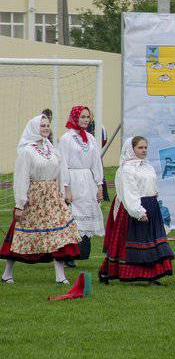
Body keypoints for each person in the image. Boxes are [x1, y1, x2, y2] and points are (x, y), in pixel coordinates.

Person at [1, 115, 80, 285]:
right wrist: (20, 203)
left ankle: (60, 276)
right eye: (42, 125)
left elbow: (60, 172)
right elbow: (21, 178)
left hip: (52, 198)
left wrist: (61, 192)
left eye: (47, 125)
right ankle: (7, 272)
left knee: (58, 234)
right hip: (34, 198)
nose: (45, 128)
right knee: (22, 235)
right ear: (34, 128)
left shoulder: (51, 149)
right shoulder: (27, 151)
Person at [98, 136, 174, 284]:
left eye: (145, 147)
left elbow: (152, 184)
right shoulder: (126, 169)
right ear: (131, 149)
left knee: (150, 241)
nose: (144, 150)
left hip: (150, 204)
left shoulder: (147, 165)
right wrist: (138, 211)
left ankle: (151, 275)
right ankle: (109, 272)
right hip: (133, 208)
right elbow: (129, 192)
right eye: (140, 147)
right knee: (128, 242)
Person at [58, 105, 105, 261]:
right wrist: (66, 188)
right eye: (82, 117)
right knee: (72, 216)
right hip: (73, 179)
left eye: (87, 117)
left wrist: (99, 185)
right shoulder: (66, 138)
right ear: (75, 118)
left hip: (88, 180)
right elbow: (63, 164)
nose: (86, 120)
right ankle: (68, 254)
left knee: (87, 212)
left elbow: (96, 163)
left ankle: (82, 251)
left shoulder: (90, 138)